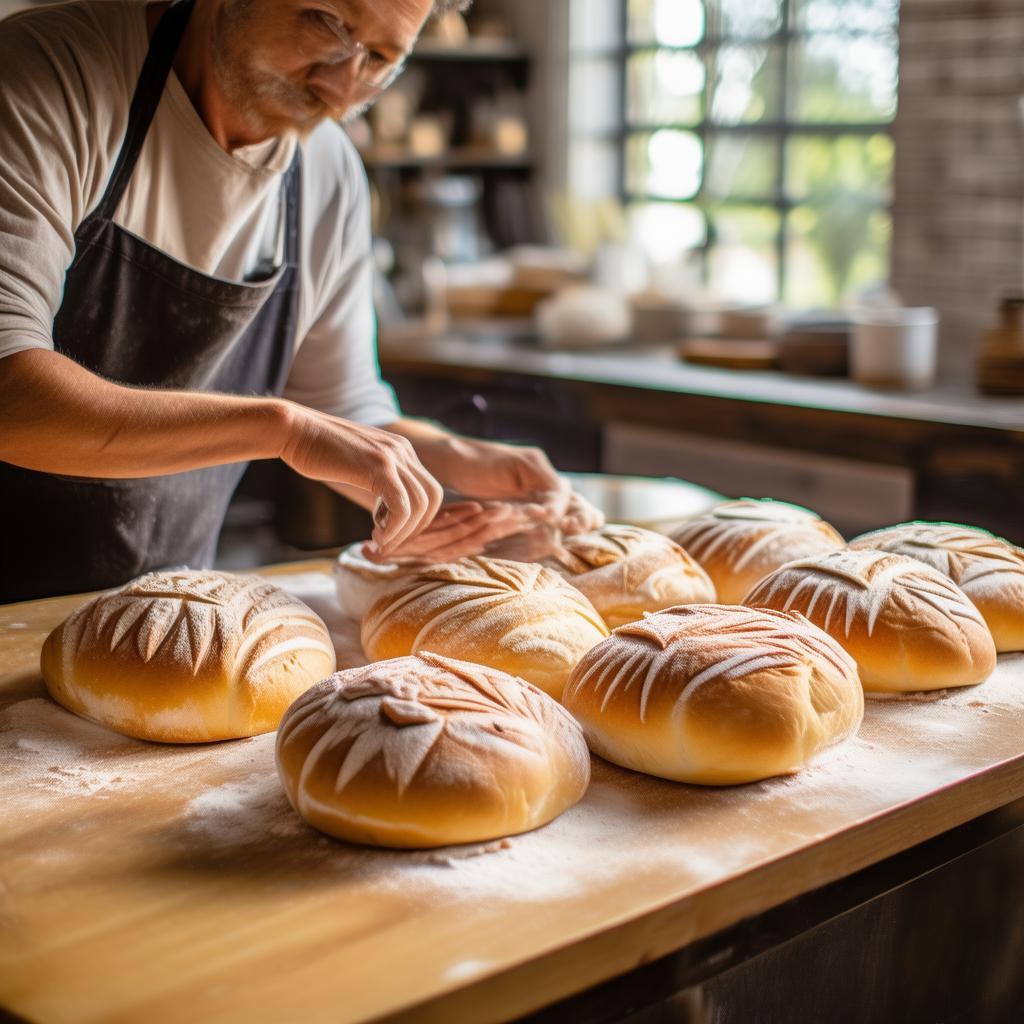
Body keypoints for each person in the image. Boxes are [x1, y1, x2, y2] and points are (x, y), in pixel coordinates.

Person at [0, 0, 599, 603]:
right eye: (327, 23)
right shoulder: (50, 76)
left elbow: (337, 405)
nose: (342, 82)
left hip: (156, 617)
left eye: (381, 59)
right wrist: (280, 427)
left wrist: (456, 468)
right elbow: (8, 393)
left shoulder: (328, 172)